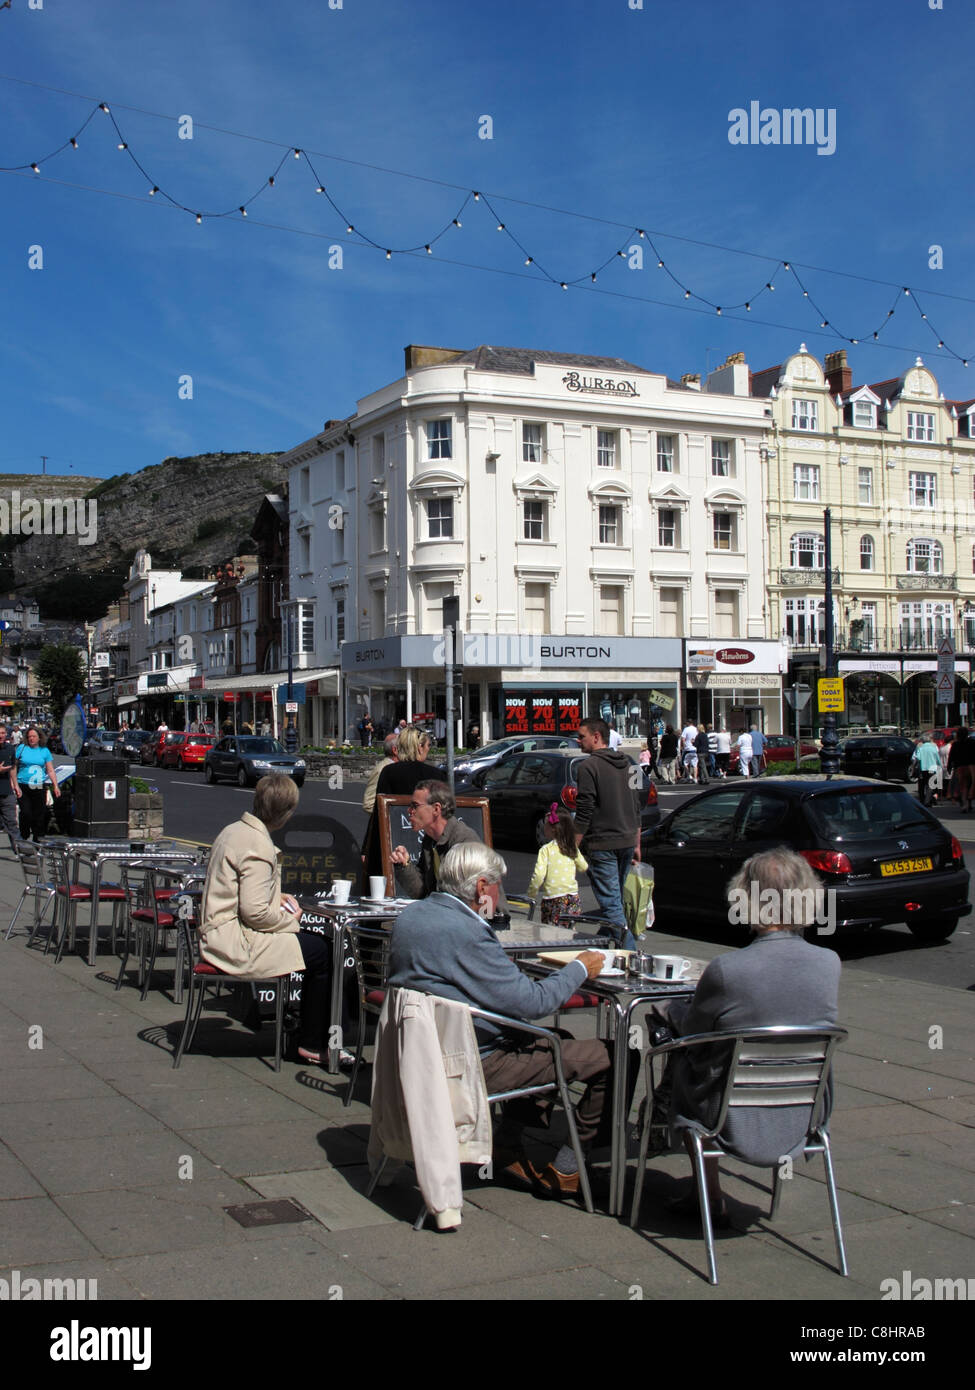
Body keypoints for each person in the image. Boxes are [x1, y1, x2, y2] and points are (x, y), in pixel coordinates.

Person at [388, 841, 611, 1198]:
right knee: (613, 1056)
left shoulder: (412, 916)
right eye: (496, 885)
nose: (498, 893)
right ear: (480, 887)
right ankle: (571, 1168)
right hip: (470, 1063)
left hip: (421, 1056)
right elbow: (533, 1002)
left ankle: (506, 1145)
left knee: (553, 1037)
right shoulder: (469, 931)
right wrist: (580, 968)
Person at [646, 848, 840, 1223]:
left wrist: (671, 1009)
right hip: (805, 1114)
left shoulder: (727, 970)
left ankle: (709, 1193)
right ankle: (709, 1194)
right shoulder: (829, 964)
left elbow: (694, 1033)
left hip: (728, 1115)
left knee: (684, 1066)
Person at [199, 773, 349, 1066]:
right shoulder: (259, 846)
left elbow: (238, 890)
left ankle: (311, 1036)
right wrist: (292, 921)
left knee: (320, 950)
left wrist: (275, 898)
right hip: (234, 941)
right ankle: (313, 1042)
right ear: (286, 813)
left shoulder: (233, 830)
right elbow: (254, 912)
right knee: (324, 952)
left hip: (219, 931)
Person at [573, 718, 642, 950]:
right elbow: (636, 806)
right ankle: (600, 948)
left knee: (612, 905)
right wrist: (637, 843)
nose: (578, 740)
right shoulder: (630, 763)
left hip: (602, 843)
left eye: (581, 736)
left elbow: (584, 811)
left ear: (596, 737)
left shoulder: (587, 767)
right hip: (627, 839)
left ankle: (631, 955)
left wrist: (572, 847)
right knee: (614, 902)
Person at [361, 725, 433, 878]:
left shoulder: (390, 772)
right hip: (426, 843)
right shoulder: (436, 774)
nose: (429, 749)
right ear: (419, 747)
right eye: (428, 745)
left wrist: (367, 851)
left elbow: (378, 813)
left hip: (395, 844)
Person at [390, 780, 481, 899]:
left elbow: (469, 898)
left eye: (415, 806)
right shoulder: (430, 841)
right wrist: (404, 865)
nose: (409, 811)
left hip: (477, 915)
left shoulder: (463, 841)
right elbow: (420, 892)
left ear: (436, 809)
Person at [527, 803, 588, 923]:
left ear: (553, 829)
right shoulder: (572, 847)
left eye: (546, 825)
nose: (544, 828)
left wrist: (531, 894)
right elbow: (583, 867)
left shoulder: (546, 850)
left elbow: (539, 876)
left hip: (553, 900)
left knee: (551, 931)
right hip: (572, 898)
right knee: (568, 930)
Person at [13, 725, 60, 842]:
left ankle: (37, 839)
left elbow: (50, 770)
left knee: (39, 814)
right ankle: (24, 834)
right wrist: (14, 784)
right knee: (26, 812)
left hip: (38, 786)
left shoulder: (44, 751)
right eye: (29, 737)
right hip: (23, 784)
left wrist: (55, 785)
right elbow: (13, 767)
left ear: (39, 737)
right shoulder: (22, 748)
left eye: (34, 736)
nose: (31, 739)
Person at [361, 732, 398, 815]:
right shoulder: (382, 770)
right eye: (404, 747)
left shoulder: (398, 767)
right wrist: (391, 816)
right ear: (395, 750)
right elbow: (369, 804)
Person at [0, 725, 19, 848]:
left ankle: (19, 849)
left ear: (6, 734)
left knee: (12, 823)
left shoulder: (10, 749)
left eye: (2, 733)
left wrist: (16, 785)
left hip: (6, 791)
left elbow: (12, 768)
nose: (0, 735)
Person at [916, 732, 942, 807]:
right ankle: (927, 801)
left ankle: (926, 800)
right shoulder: (933, 748)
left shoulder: (921, 748)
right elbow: (937, 759)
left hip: (923, 768)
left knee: (924, 784)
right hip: (932, 769)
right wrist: (939, 766)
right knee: (930, 785)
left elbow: (918, 758)